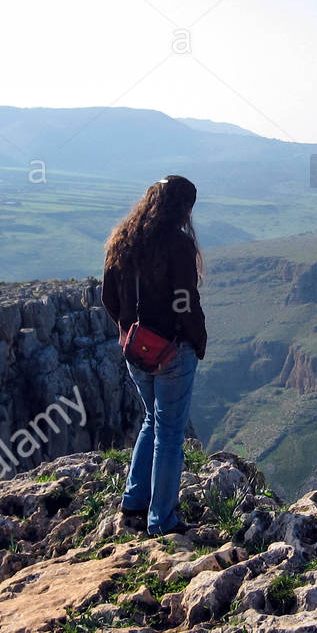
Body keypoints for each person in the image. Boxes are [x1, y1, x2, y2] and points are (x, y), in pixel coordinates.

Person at [100, 174, 207, 536]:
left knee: (152, 421)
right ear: (183, 208)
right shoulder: (178, 246)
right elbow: (186, 302)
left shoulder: (123, 240)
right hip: (172, 351)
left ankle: (133, 503)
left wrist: (126, 328)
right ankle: (162, 520)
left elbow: (109, 298)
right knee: (170, 435)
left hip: (135, 350)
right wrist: (198, 339)